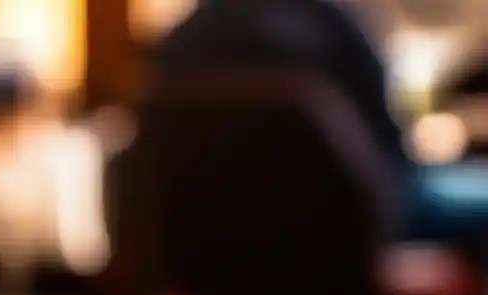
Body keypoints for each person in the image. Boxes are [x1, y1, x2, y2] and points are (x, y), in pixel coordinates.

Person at [154, 0, 488, 247]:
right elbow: (395, 147)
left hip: (220, 240)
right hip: (356, 228)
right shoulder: (330, 22)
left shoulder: (179, 42)